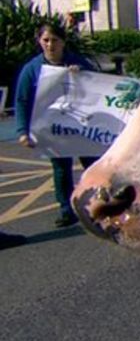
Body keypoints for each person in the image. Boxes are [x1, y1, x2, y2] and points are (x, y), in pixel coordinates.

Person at [14, 22, 98, 228]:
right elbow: (22, 100)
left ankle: (99, 203)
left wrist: (83, 75)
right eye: (46, 40)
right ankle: (66, 209)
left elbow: (99, 87)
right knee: (61, 169)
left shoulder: (79, 62)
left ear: (63, 42)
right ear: (39, 42)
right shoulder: (32, 69)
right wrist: (22, 131)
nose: (50, 45)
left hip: (81, 125)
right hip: (54, 129)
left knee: (92, 164)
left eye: (55, 40)